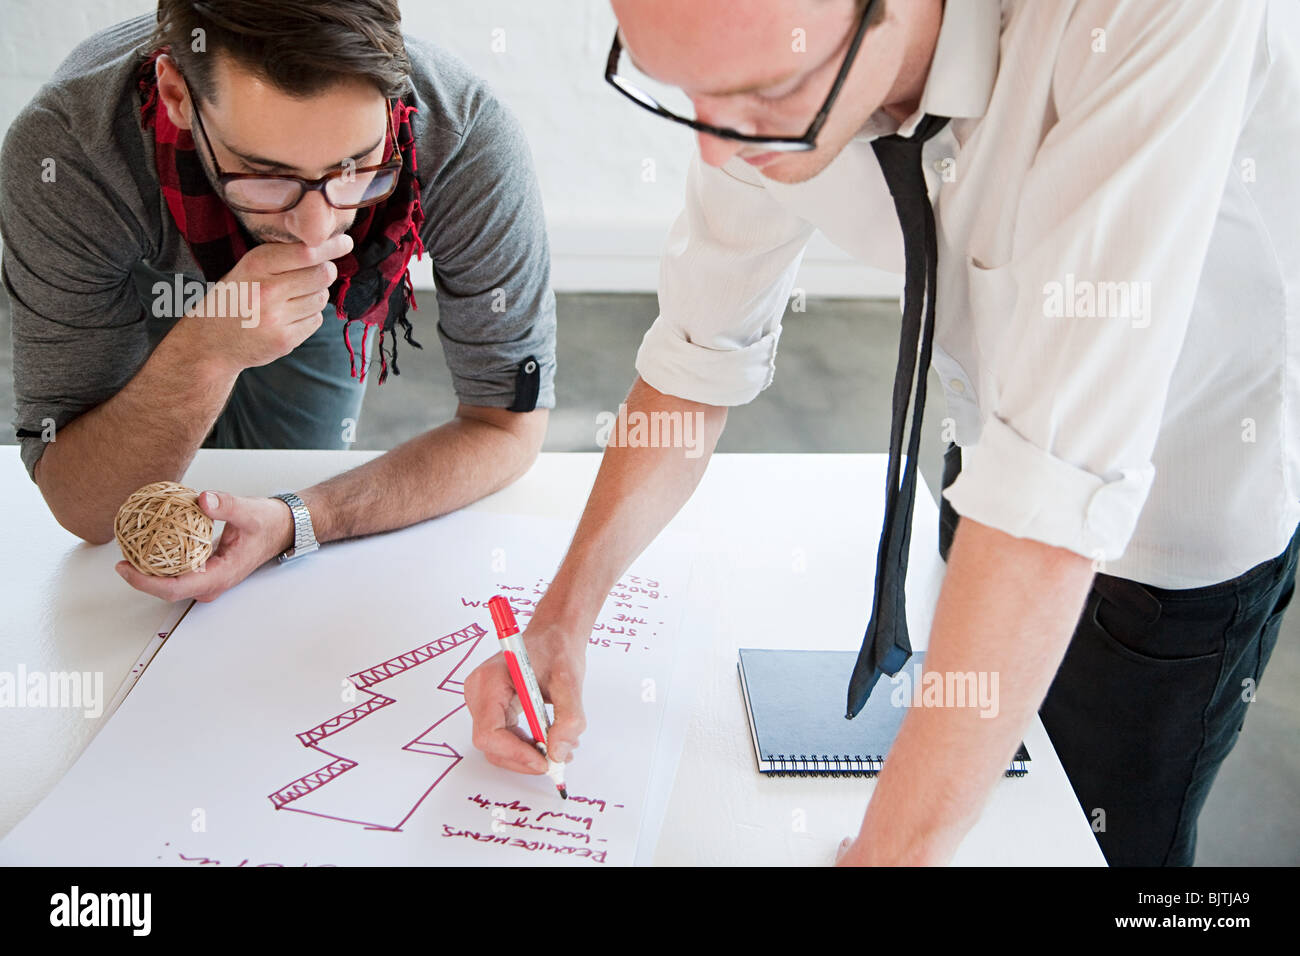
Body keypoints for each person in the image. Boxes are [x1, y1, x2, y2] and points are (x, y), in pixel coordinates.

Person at [465, 0, 1299, 866]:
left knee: (1090, 836)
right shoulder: (752, 65)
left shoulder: (1149, 16)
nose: (716, 147)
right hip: (988, 451)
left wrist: (887, 855)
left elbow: (1053, 489)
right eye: (683, 91)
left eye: (767, 92)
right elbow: (695, 361)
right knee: (986, 795)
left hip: (1170, 524)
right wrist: (561, 618)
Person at [1, 0, 555, 601]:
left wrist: (299, 519)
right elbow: (88, 510)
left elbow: (506, 427)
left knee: (278, 478)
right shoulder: (68, 155)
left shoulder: (465, 135)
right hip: (138, 268)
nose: (318, 236)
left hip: (323, 302)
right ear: (177, 95)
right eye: (264, 173)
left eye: (356, 168)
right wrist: (206, 352)